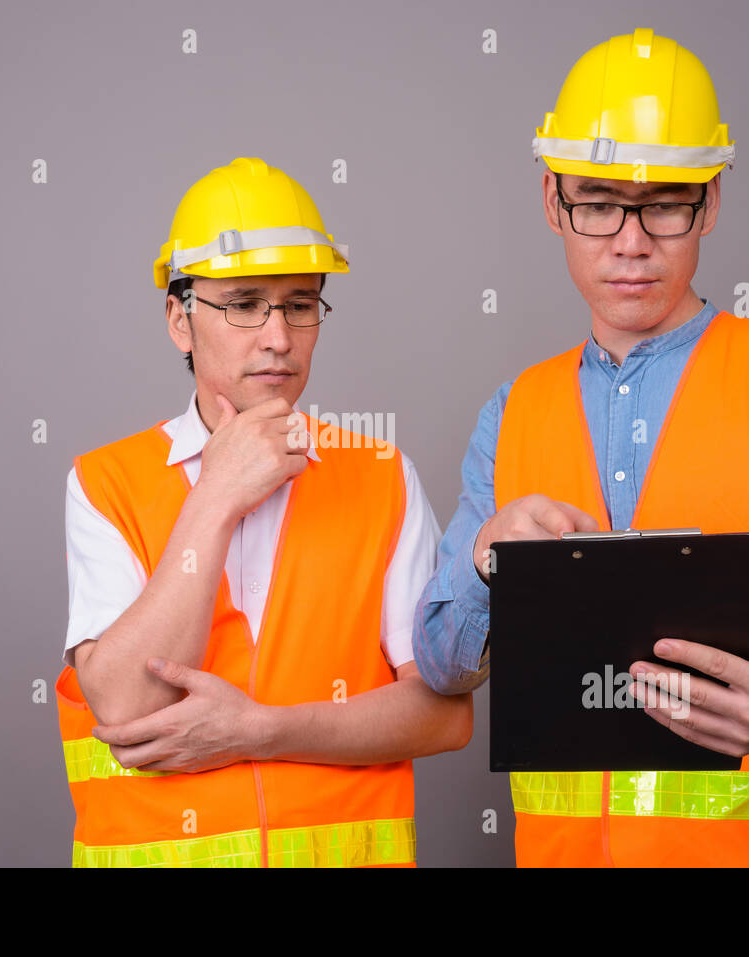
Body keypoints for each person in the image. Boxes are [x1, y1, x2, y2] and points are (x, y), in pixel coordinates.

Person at [412, 28, 749, 867]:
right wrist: (484, 557)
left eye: (665, 202)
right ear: (551, 201)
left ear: (713, 201)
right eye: (597, 201)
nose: (631, 240)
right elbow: (441, 668)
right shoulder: (513, 412)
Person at [54, 156, 471, 867]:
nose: (278, 335)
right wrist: (214, 498)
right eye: (244, 303)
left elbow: (445, 714)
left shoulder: (382, 478)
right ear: (180, 320)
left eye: (300, 304)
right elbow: (123, 702)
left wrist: (261, 729)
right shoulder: (105, 483)